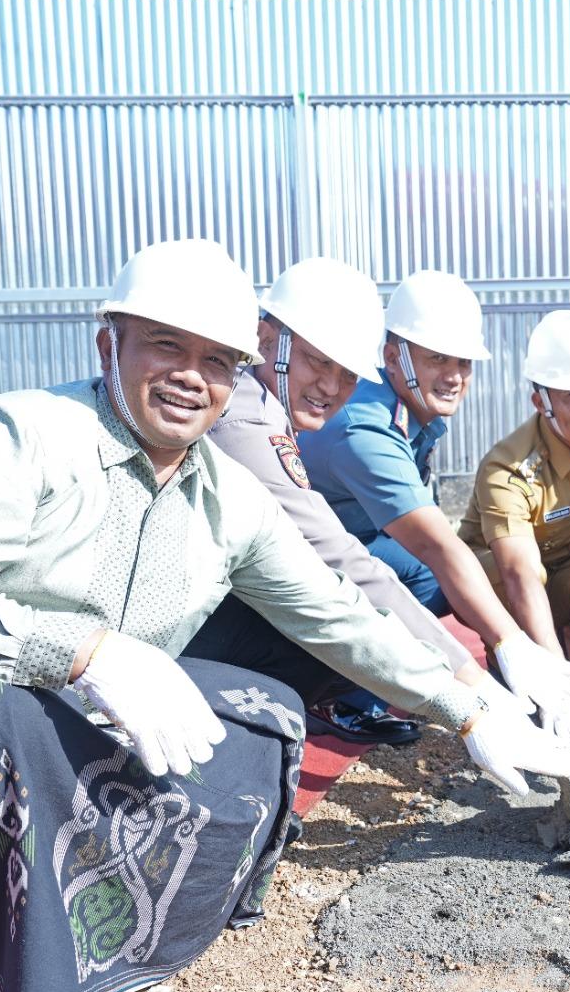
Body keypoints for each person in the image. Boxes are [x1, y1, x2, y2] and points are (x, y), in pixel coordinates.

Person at [0, 240, 570, 992]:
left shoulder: (229, 498)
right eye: (167, 346)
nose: (193, 375)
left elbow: (341, 615)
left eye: (218, 360)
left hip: (59, 702)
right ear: (107, 344)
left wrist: (469, 709)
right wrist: (87, 652)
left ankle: (126, 903)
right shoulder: (12, 437)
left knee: (267, 710)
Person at [185, 256, 520, 747]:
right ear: (263, 340)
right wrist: (469, 687)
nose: (331, 387)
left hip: (201, 599)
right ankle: (239, 737)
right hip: (166, 634)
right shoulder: (247, 420)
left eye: (346, 373)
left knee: (379, 593)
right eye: (318, 361)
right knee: (341, 609)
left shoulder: (263, 402)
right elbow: (337, 558)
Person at [299, 270, 570, 746]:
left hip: (352, 542)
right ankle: (333, 693)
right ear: (394, 357)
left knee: (442, 581)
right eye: (438, 358)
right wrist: (509, 646)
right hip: (306, 562)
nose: (455, 375)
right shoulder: (365, 428)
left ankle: (365, 682)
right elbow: (438, 546)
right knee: (431, 577)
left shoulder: (405, 406)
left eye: (464, 361)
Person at [457, 309, 570, 704]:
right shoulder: (510, 467)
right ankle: (510, 662)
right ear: (542, 402)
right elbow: (518, 572)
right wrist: (552, 677)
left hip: (567, 565)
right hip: (501, 578)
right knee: (510, 574)